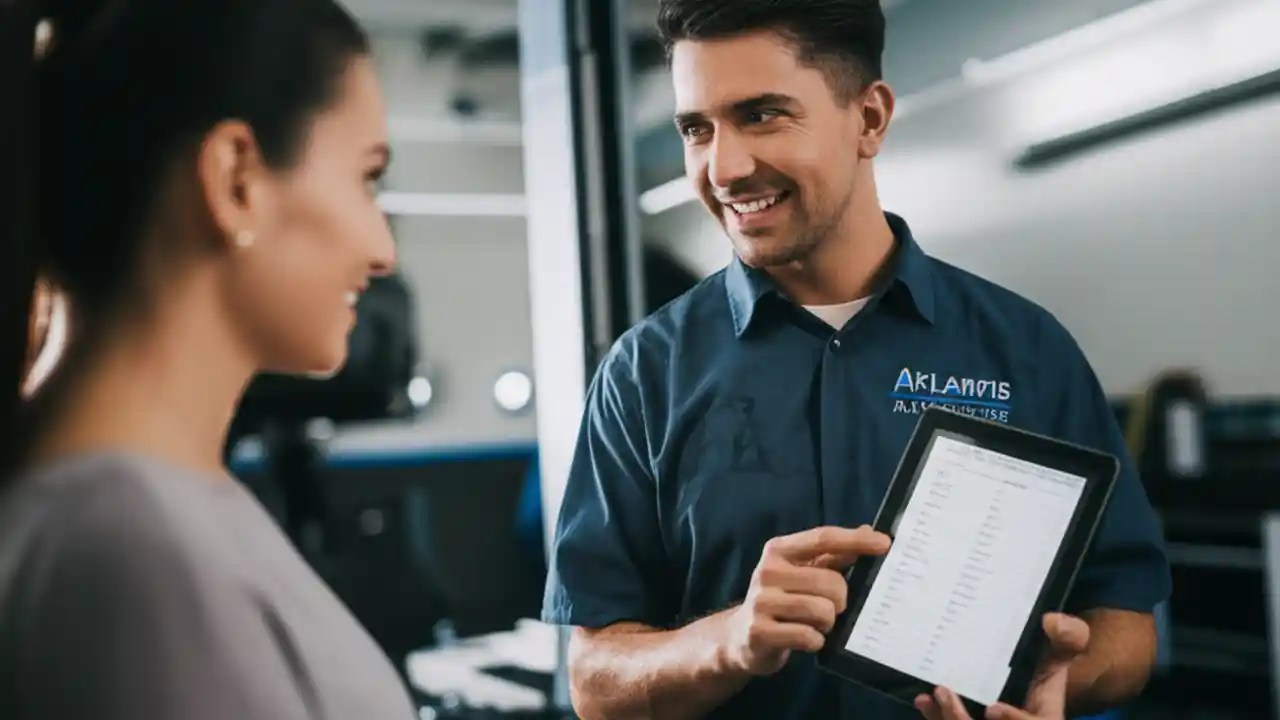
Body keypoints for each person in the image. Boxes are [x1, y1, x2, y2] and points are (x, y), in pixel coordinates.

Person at [542, 1, 1172, 719]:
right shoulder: (645, 374)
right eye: (697, 128)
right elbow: (594, 681)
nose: (725, 167)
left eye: (763, 115)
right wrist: (727, 642)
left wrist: (1043, 685)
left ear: (869, 119)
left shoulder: (1026, 350)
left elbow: (1127, 625)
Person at [0, 0, 417, 717]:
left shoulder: (144, 514)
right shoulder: (122, 546)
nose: (383, 249)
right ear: (235, 180)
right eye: (365, 178)